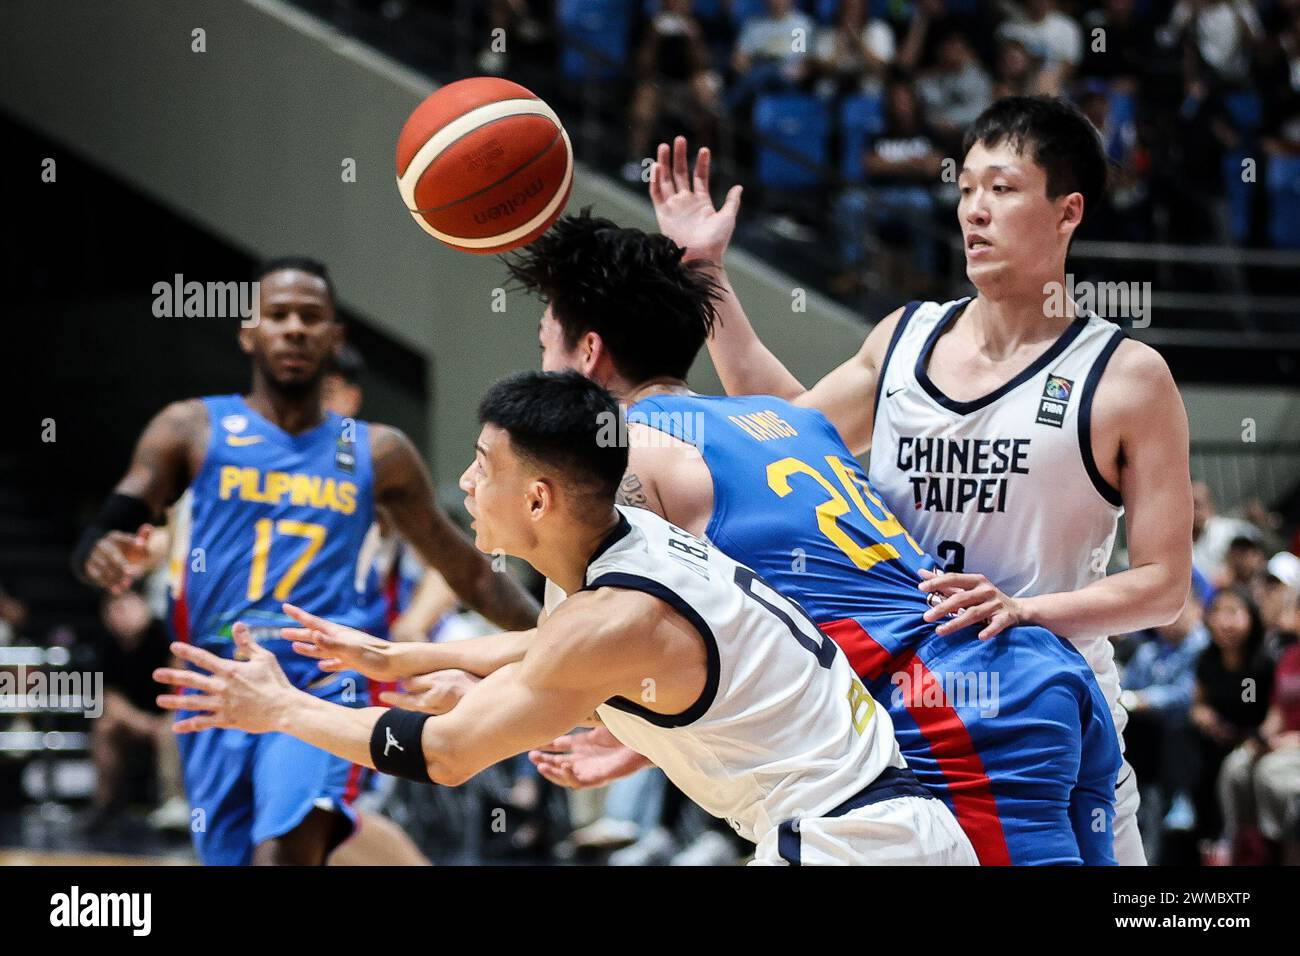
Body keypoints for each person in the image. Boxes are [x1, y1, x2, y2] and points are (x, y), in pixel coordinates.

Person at [155, 371, 979, 867]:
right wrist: (403, 659)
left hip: (853, 843)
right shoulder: (619, 544)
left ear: (538, 498)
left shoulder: (613, 612)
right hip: (875, 828)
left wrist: (280, 709)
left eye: (482, 467)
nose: (466, 483)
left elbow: (445, 757)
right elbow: (565, 659)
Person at [669, 97, 1195, 867]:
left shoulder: (1127, 378)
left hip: (1048, 727)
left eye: (1004, 189)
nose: (975, 212)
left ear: (1067, 210)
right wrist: (704, 275)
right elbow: (785, 435)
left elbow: (1164, 584)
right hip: (896, 722)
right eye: (967, 189)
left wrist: (1025, 609)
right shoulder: (905, 337)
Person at [72, 257, 539, 865]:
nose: (295, 328)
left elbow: (472, 573)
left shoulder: (379, 451)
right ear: (248, 331)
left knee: (289, 854)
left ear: (335, 338)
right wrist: (100, 557)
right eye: (279, 314)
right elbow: (101, 540)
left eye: (311, 317)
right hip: (220, 682)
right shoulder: (189, 428)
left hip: (325, 683)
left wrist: (562, 637)